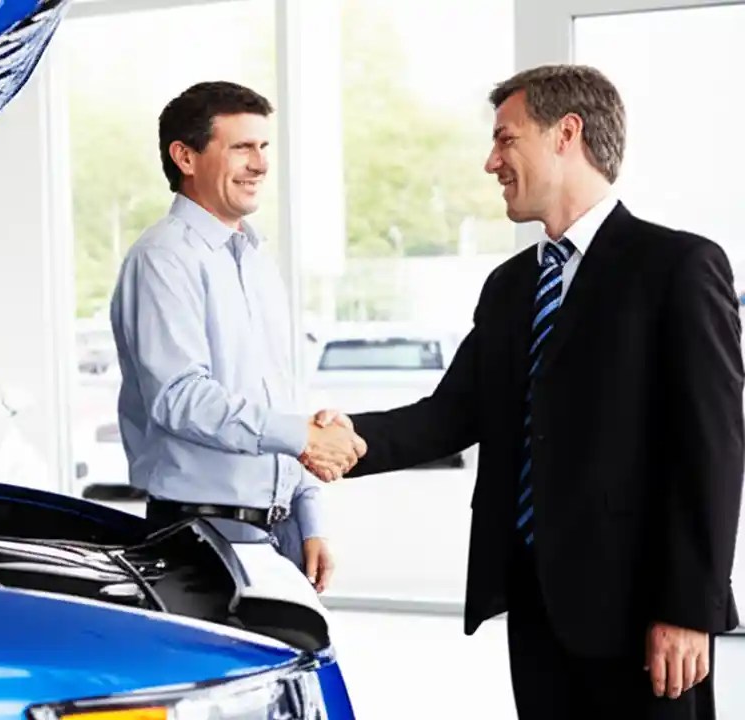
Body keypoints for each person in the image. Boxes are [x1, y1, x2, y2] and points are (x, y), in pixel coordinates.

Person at [315, 64, 743, 718]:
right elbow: (450, 414)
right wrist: (340, 440)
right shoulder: (512, 286)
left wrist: (689, 610)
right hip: (539, 613)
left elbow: (711, 451)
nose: (491, 162)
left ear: (566, 133)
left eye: (505, 139)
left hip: (645, 620)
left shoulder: (677, 267)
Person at [109, 81, 365, 592]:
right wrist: (303, 437)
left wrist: (307, 513)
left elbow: (282, 398)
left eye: (264, 147)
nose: (261, 164)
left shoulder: (253, 257)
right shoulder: (163, 258)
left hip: (277, 529)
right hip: (199, 535)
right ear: (184, 156)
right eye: (242, 147)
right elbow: (180, 397)